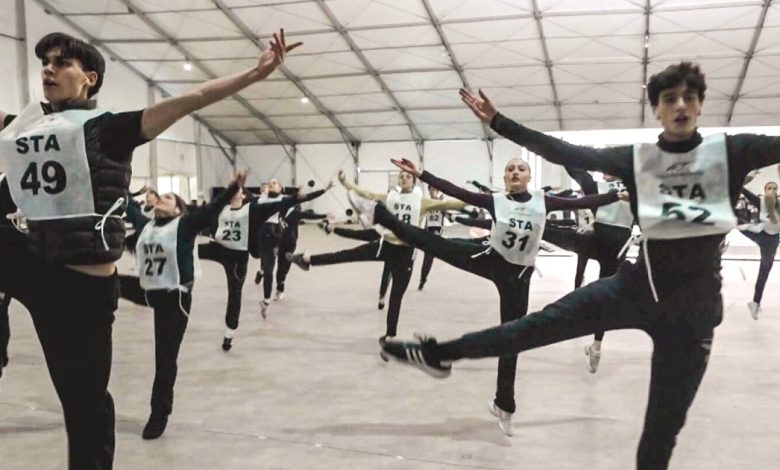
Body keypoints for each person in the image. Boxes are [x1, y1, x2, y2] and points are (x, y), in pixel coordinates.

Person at [380, 62, 780, 469]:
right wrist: (499, 122)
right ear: (657, 110)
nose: (680, 105)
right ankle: (440, 354)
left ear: (700, 105)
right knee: (536, 326)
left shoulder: (731, 152)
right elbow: (567, 153)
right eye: (669, 99)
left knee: (660, 435)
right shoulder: (638, 158)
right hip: (637, 288)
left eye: (689, 98)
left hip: (691, 315)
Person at [0, 29, 300, 469]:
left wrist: (254, 75)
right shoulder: (28, 127)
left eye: (62, 63)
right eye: (44, 62)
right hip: (33, 264)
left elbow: (193, 98)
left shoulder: (109, 129)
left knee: (84, 409)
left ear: (89, 78)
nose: (48, 69)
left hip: (80, 291)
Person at [350, 157, 621, 436]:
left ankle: (504, 404)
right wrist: (422, 174)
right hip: (489, 259)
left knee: (512, 338)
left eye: (521, 169)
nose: (515, 172)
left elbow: (584, 201)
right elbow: (458, 192)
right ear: (505, 178)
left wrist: (617, 195)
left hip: (518, 277)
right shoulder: (496, 200)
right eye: (510, 169)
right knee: (435, 243)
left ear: (529, 177)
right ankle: (380, 215)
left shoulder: (543, 201)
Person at [287, 170, 467, 340]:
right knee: (347, 255)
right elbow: (367, 194)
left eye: (408, 176)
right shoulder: (391, 197)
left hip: (406, 252)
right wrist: (345, 182)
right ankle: (307, 260)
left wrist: (475, 200)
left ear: (413, 181)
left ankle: (390, 336)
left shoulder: (422, 201)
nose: (404, 178)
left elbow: (450, 204)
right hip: (386, 245)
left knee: (396, 297)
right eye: (402, 176)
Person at [198, 182, 330, 350]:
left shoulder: (256, 207)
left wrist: (317, 192)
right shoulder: (229, 206)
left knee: (240, 290)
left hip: (246, 250)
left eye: (273, 184)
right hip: (225, 246)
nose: (268, 186)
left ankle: (231, 331)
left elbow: (291, 203)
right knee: (188, 250)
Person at [564, 166, 635, 373]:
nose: (604, 173)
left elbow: (575, 170)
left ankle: (576, 300)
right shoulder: (636, 188)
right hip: (620, 242)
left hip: (599, 237)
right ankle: (597, 344)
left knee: (577, 249)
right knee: (606, 293)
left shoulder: (598, 186)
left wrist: (565, 155)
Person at [738, 174, 780, 319]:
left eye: (774, 188)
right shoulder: (760, 201)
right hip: (759, 233)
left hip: (771, 241)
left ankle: (755, 303)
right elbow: (742, 189)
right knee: (734, 224)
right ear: (765, 190)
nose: (772, 190)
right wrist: (747, 177)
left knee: (764, 271)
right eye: (769, 188)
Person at [418, 185, 445, 290]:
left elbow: (445, 214)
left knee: (431, 257)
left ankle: (423, 278)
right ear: (429, 191)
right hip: (428, 231)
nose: (433, 191)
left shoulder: (442, 202)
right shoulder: (426, 202)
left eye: (435, 189)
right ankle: (423, 278)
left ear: (438, 191)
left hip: (437, 232)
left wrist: (442, 204)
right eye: (431, 190)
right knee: (427, 257)